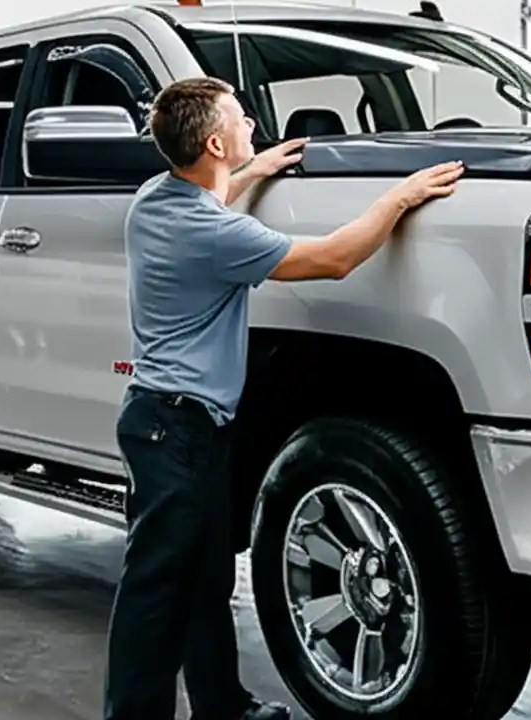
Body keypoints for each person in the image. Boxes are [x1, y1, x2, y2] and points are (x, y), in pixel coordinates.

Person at [102, 76, 464, 720]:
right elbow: (334, 258)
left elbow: (214, 199)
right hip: (177, 431)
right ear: (214, 142)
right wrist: (401, 197)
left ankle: (222, 708)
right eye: (242, 121)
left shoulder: (155, 199)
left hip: (174, 425)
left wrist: (257, 168)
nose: (253, 127)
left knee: (205, 579)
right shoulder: (216, 237)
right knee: (155, 594)